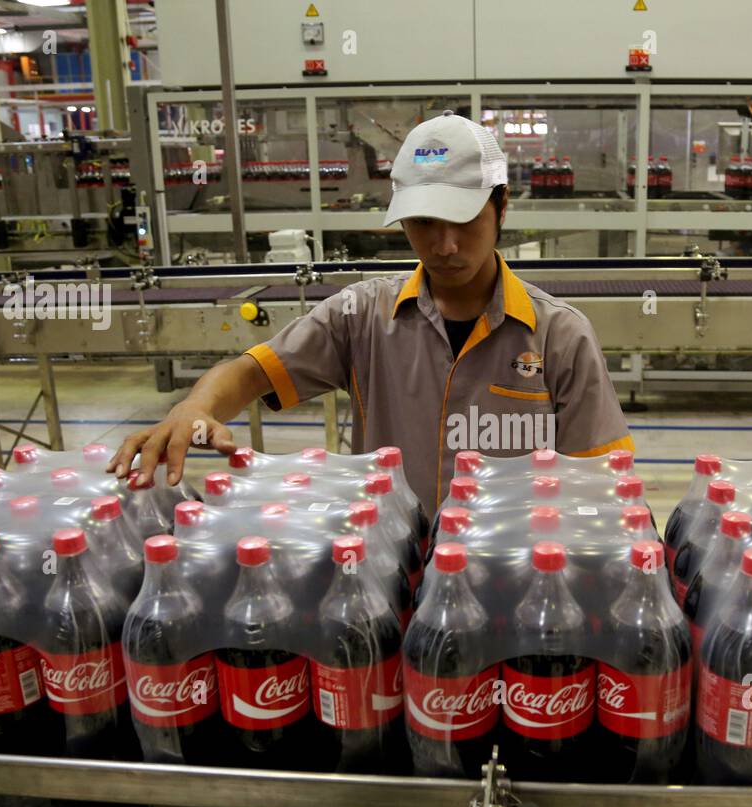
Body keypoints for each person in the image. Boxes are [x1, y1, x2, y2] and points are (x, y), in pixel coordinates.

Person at [108, 111, 632, 510]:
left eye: (464, 220)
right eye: (424, 223)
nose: (445, 245)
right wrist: (194, 409)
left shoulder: (559, 336)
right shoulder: (361, 316)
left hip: (514, 574)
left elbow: (602, 486)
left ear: (501, 205)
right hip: (391, 569)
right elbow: (249, 373)